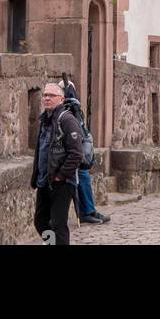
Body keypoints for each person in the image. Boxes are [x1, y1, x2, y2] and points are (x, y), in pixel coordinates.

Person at [31, 79, 84, 244]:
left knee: (58, 224)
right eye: (45, 95)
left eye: (51, 95)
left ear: (61, 99)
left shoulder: (67, 120)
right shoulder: (45, 119)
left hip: (62, 182)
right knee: (40, 221)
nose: (47, 98)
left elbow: (76, 154)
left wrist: (60, 175)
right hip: (44, 180)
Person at [61, 76, 111, 226]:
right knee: (80, 176)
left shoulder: (74, 109)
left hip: (75, 150)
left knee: (83, 175)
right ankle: (86, 212)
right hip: (65, 153)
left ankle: (89, 210)